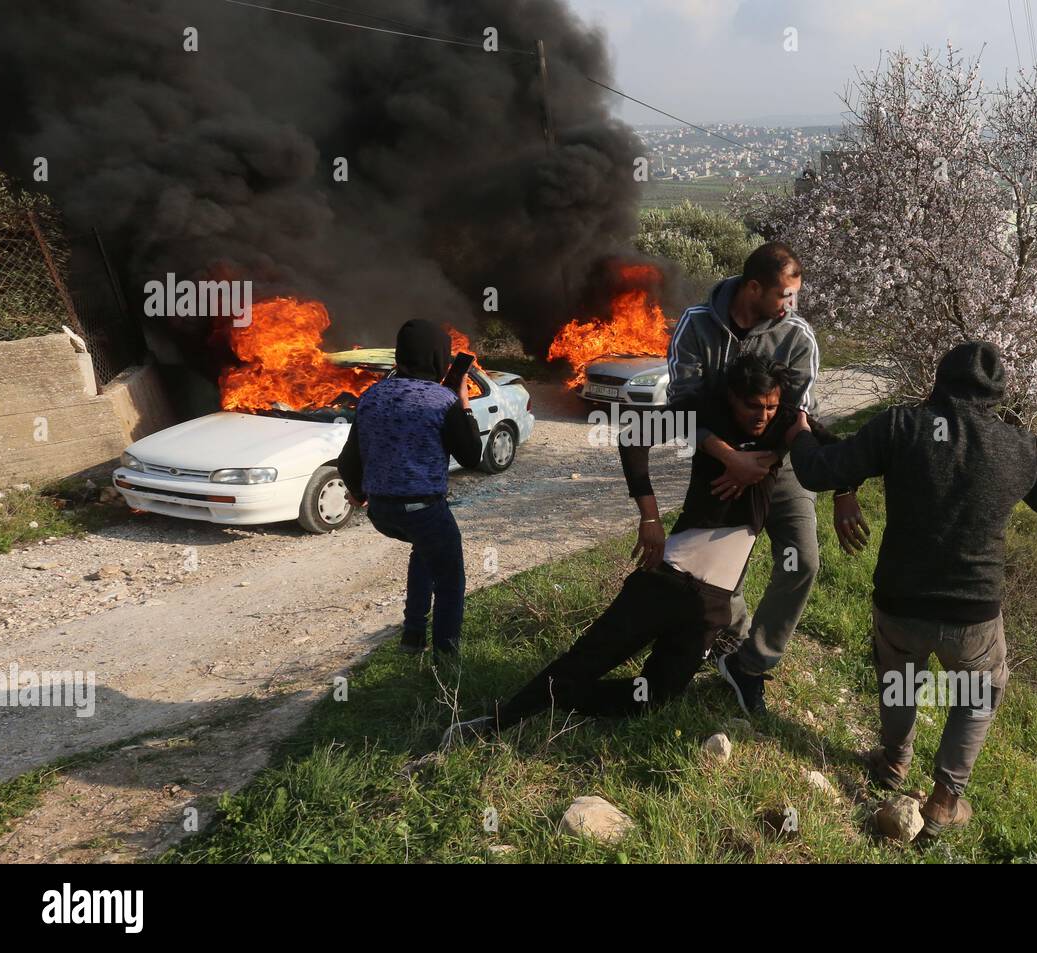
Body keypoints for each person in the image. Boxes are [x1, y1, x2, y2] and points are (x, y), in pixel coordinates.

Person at [785, 340, 1037, 837]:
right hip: (972, 614)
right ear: (998, 396)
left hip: (900, 601)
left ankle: (893, 763)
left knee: (900, 680)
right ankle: (944, 799)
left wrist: (800, 432)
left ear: (937, 380)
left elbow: (819, 469)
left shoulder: (900, 427)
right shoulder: (1020, 450)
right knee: (978, 693)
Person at [444, 355, 853, 745]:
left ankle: (562, 700)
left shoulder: (783, 421)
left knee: (654, 697)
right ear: (731, 397)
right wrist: (650, 517)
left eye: (770, 406)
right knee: (585, 660)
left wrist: (844, 493)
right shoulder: (705, 412)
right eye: (752, 406)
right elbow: (632, 437)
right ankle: (496, 722)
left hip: (712, 607)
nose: (761, 416)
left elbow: (835, 452)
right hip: (668, 579)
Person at [666, 241, 864, 716]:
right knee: (716, 566)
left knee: (803, 563)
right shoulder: (696, 326)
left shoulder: (797, 337)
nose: (792, 306)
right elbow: (680, 408)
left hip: (783, 466)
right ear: (753, 288)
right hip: (718, 466)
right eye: (784, 296)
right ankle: (729, 638)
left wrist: (762, 463)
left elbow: (799, 416)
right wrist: (730, 458)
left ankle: (751, 664)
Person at [337, 319, 482, 663]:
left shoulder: (373, 395)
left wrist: (358, 494)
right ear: (438, 358)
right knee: (450, 580)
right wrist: (463, 401)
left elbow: (348, 458)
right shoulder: (444, 400)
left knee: (424, 551)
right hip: (423, 511)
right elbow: (472, 456)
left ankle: (413, 635)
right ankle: (446, 663)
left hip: (381, 513)